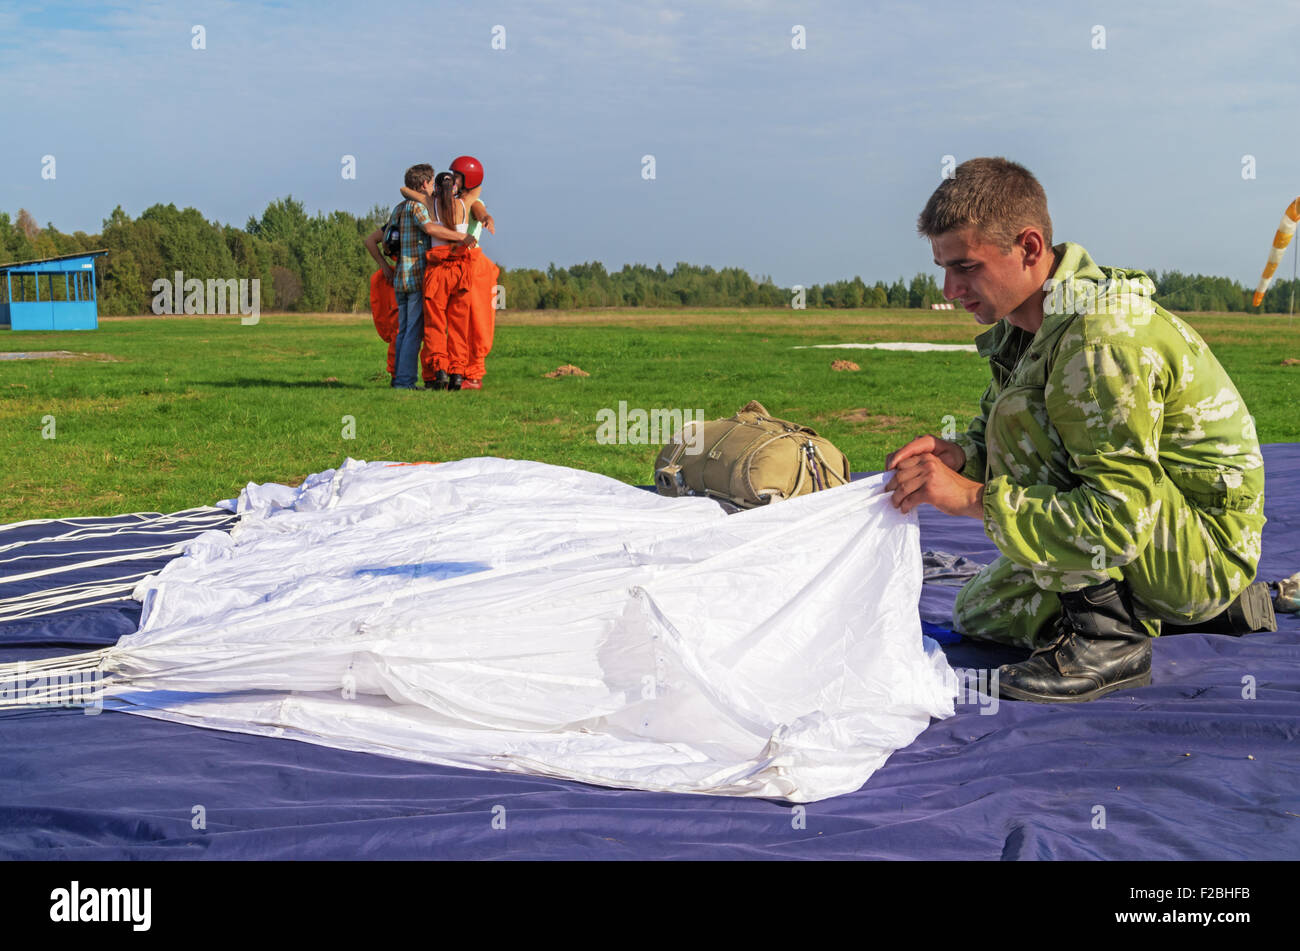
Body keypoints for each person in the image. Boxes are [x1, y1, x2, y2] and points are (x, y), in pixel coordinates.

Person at [884, 156, 1274, 703]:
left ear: (1030, 248)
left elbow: (1117, 519)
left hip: (1204, 550)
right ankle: (1169, 610)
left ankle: (1106, 639)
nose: (950, 289)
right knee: (980, 613)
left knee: (1023, 419)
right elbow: (1005, 434)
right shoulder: (1035, 322)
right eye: (943, 268)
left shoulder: (1098, 341)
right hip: (1159, 534)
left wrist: (972, 497)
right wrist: (962, 457)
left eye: (967, 267)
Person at [364, 164, 474, 389]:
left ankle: (400, 378)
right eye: (431, 182)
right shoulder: (418, 208)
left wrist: (385, 266)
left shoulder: (398, 209)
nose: (433, 186)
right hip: (416, 276)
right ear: (424, 184)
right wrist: (459, 237)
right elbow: (432, 230)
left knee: (403, 330)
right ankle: (405, 382)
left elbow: (383, 241)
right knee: (414, 331)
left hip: (399, 278)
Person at [400, 155, 498, 390]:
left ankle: (439, 370)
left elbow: (404, 190)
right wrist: (485, 216)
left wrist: (431, 193)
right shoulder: (464, 203)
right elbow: (477, 192)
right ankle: (457, 372)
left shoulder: (430, 204)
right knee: (458, 326)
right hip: (461, 269)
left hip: (437, 271)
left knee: (435, 325)